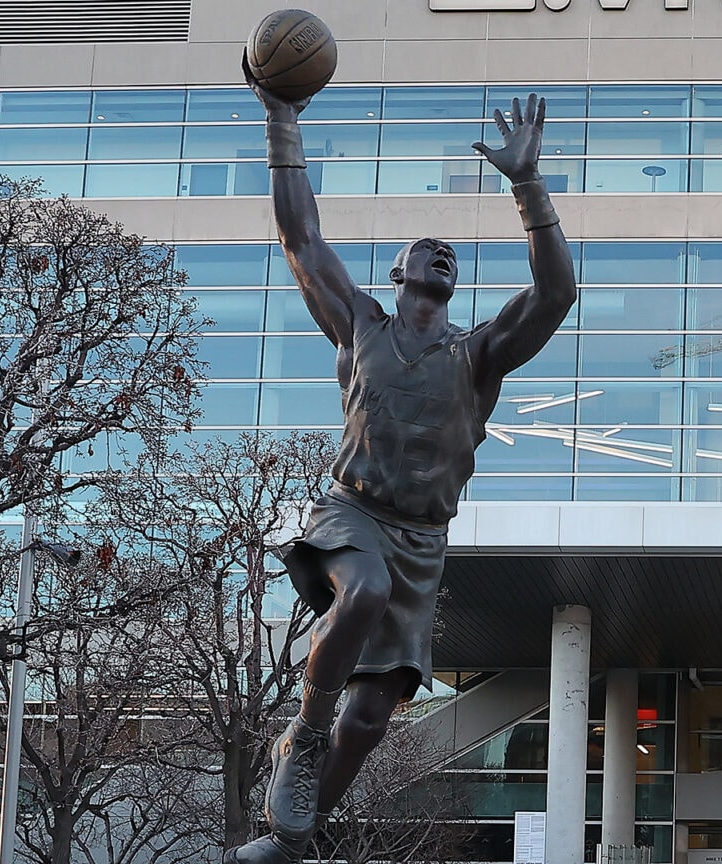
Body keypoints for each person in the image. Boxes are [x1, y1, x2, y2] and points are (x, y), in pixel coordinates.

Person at [227, 71, 576, 864]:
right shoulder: (360, 325)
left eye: (451, 252)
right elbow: (301, 237)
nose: (443, 252)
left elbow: (557, 292)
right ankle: (301, 738)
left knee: (374, 718)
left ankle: (294, 836)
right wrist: (283, 121)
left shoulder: (479, 353)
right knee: (364, 594)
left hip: (424, 539)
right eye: (428, 248)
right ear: (399, 271)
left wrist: (527, 185)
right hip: (354, 513)